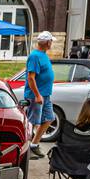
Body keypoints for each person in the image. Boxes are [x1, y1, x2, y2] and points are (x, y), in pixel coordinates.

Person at [24, 31, 55, 159]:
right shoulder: (34, 56)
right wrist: (37, 95)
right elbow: (31, 78)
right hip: (36, 96)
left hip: (45, 95)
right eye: (51, 41)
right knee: (31, 123)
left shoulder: (43, 55)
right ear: (47, 42)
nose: (52, 43)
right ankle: (25, 150)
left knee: (49, 118)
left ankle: (34, 145)